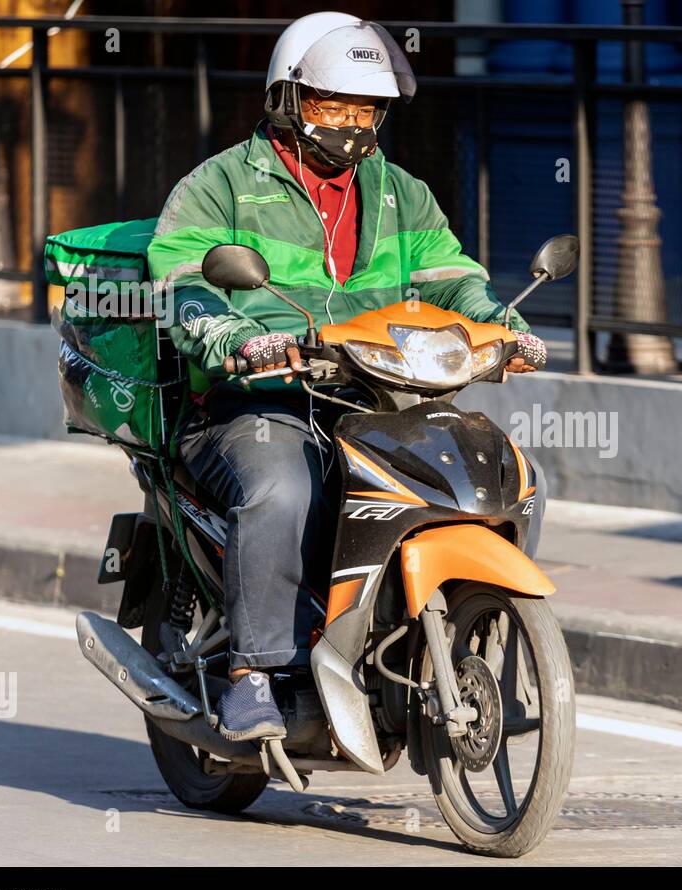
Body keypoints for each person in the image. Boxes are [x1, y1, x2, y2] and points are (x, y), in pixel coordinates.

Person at [147, 12, 546, 741]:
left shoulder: (400, 191)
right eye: (334, 105)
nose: (353, 125)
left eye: (366, 109)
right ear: (287, 101)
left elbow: (453, 278)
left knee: (509, 474)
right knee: (285, 487)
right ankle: (253, 672)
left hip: (381, 398)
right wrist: (238, 339)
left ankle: (466, 643)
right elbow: (185, 285)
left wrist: (502, 328)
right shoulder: (220, 185)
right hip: (258, 403)